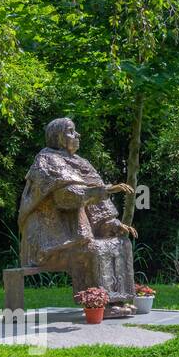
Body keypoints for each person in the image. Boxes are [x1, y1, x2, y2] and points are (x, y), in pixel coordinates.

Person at [18, 117, 138, 317]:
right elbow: (67, 198)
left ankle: (117, 299)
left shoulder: (82, 163)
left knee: (120, 242)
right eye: (71, 131)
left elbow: (98, 206)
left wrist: (113, 223)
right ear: (58, 137)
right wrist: (106, 189)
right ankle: (100, 304)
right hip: (51, 237)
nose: (77, 135)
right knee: (93, 249)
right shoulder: (47, 160)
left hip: (77, 230)